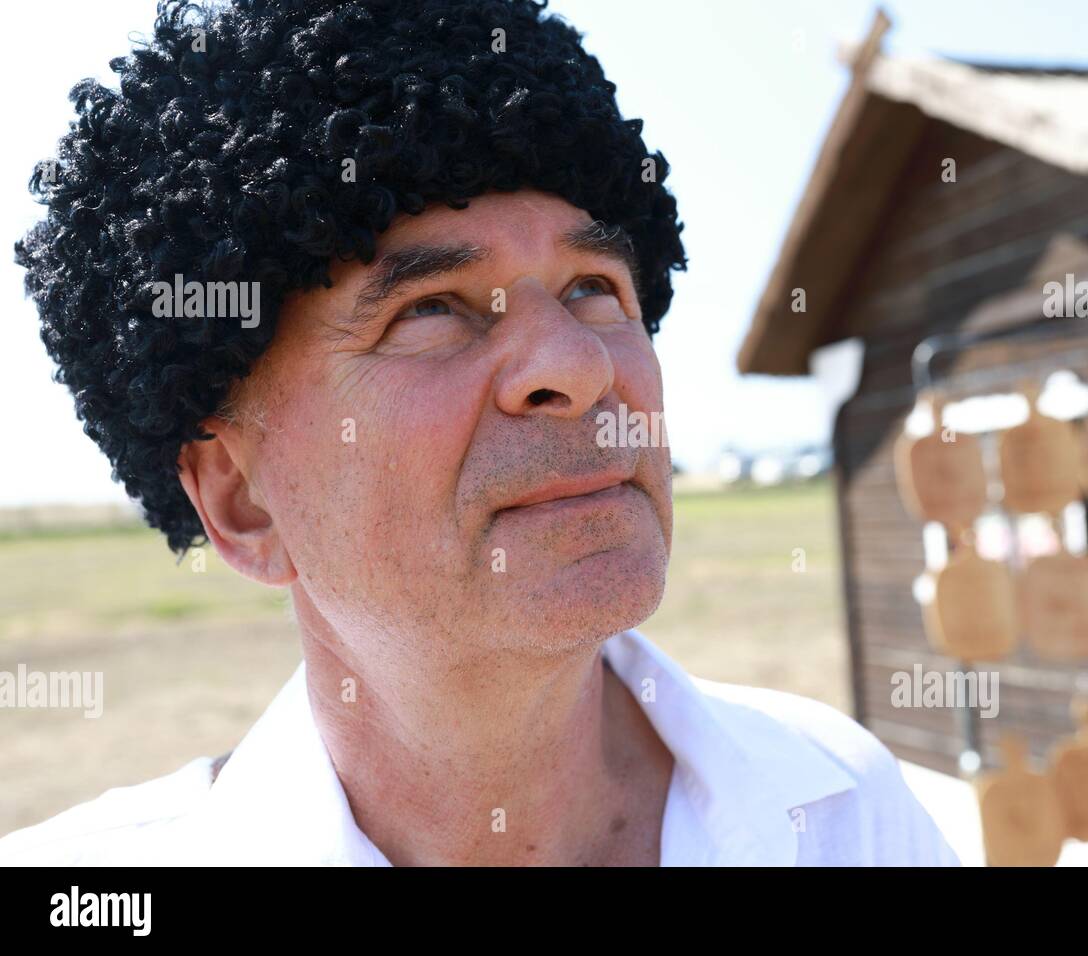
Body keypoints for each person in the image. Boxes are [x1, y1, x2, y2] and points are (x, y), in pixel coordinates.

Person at [2, 0, 958, 866]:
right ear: (240, 500)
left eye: (595, 288)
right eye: (430, 310)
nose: (577, 369)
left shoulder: (845, 816)